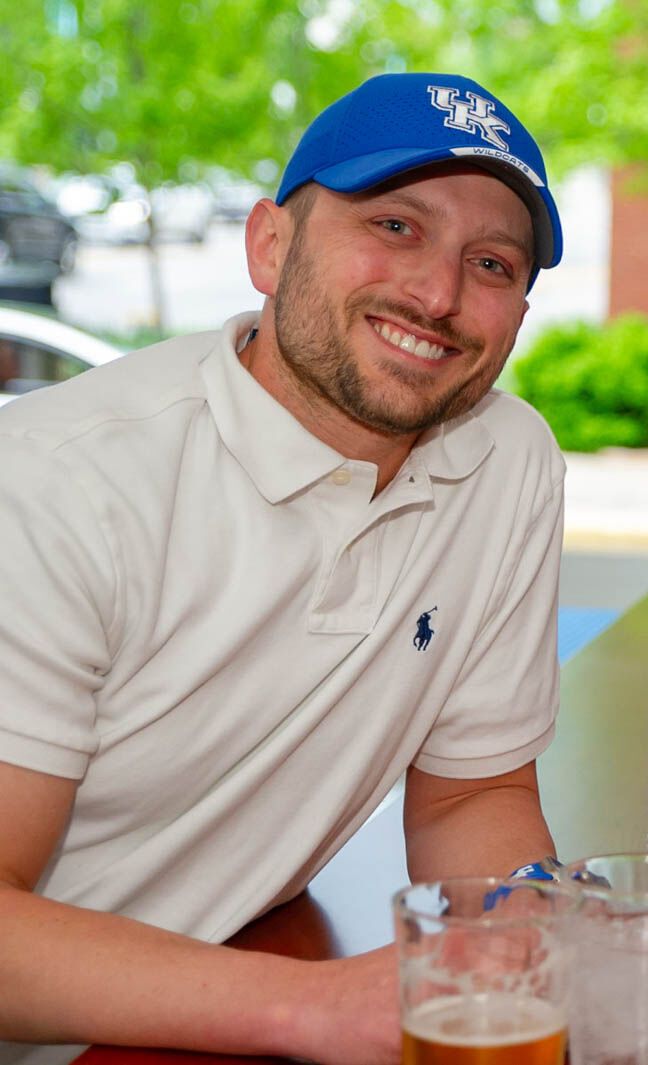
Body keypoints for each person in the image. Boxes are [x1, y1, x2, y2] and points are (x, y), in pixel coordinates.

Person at [0, 73, 567, 1065]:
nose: (438, 295)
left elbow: (471, 796)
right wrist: (317, 1009)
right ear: (269, 244)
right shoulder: (58, 481)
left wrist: (511, 946)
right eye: (395, 226)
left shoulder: (506, 461)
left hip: (223, 994)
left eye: (491, 262)